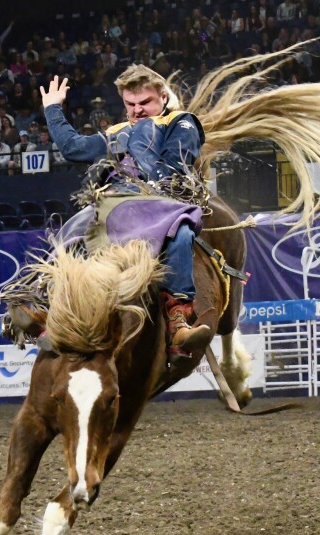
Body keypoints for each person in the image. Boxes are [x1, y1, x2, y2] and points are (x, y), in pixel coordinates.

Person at [40, 66, 209, 354]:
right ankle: (44, 309)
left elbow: (172, 165)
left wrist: (137, 157)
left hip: (160, 202)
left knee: (180, 234)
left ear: (163, 98)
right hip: (111, 206)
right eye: (130, 104)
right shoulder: (116, 132)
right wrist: (53, 108)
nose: (137, 110)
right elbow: (72, 148)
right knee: (68, 239)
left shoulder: (181, 122)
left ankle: (178, 320)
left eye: (145, 103)